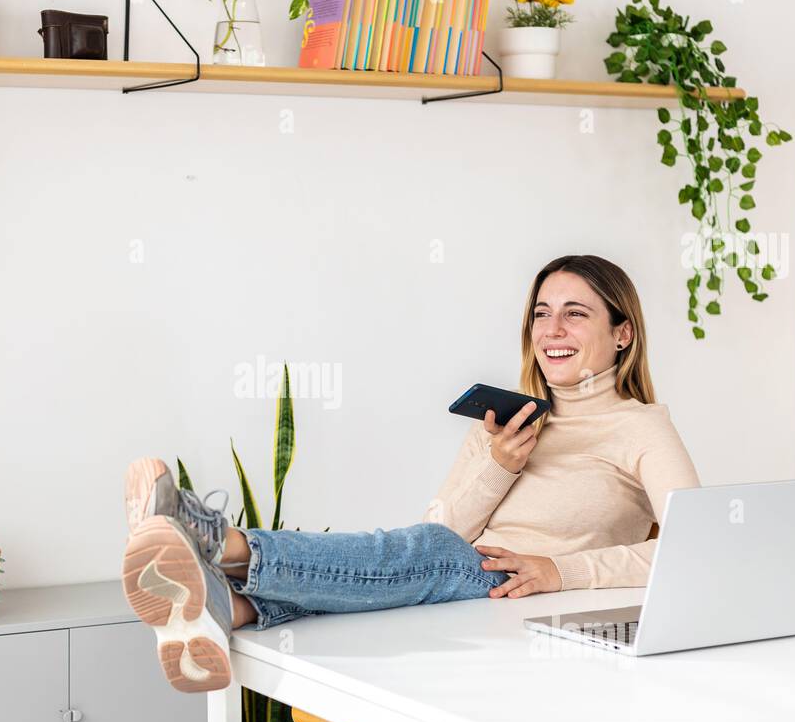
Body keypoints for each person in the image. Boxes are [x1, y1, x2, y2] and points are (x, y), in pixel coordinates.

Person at [120, 255, 700, 693]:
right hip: (452, 569)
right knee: (414, 552)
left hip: (504, 587)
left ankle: (219, 540)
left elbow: (692, 550)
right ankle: (227, 607)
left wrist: (557, 570)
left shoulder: (641, 428)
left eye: (576, 314)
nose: (552, 330)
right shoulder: (506, 421)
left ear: (622, 333)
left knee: (422, 555)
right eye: (541, 314)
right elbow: (438, 525)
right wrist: (497, 467)